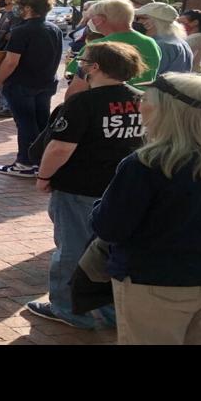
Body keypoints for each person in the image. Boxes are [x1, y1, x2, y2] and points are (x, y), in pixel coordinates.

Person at [91, 73, 201, 345]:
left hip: (154, 281)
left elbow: (110, 227)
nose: (139, 105)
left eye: (145, 99)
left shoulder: (145, 164)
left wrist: (99, 207)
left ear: (168, 111)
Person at [28, 41, 147, 330]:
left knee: (71, 249)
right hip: (124, 187)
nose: (80, 65)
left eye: (84, 61)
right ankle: (112, 310)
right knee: (113, 250)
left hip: (80, 187)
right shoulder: (143, 99)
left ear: (95, 67)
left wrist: (44, 177)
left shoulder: (82, 103)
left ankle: (67, 308)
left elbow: (59, 148)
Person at [0, 0, 63, 178]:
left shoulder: (22, 31)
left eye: (20, 6)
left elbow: (11, 61)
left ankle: (25, 162)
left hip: (22, 84)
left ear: (29, 8)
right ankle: (40, 161)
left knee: (25, 123)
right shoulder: (53, 29)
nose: (17, 9)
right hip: (46, 83)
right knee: (41, 122)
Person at [61, 0, 158, 101]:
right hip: (141, 105)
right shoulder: (150, 43)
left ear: (99, 20)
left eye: (92, 18)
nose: (91, 21)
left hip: (103, 107)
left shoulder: (96, 47)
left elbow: (78, 87)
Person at [134, 2, 193, 74]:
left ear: (150, 23)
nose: (135, 21)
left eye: (139, 18)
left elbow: (146, 75)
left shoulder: (160, 45)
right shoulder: (181, 42)